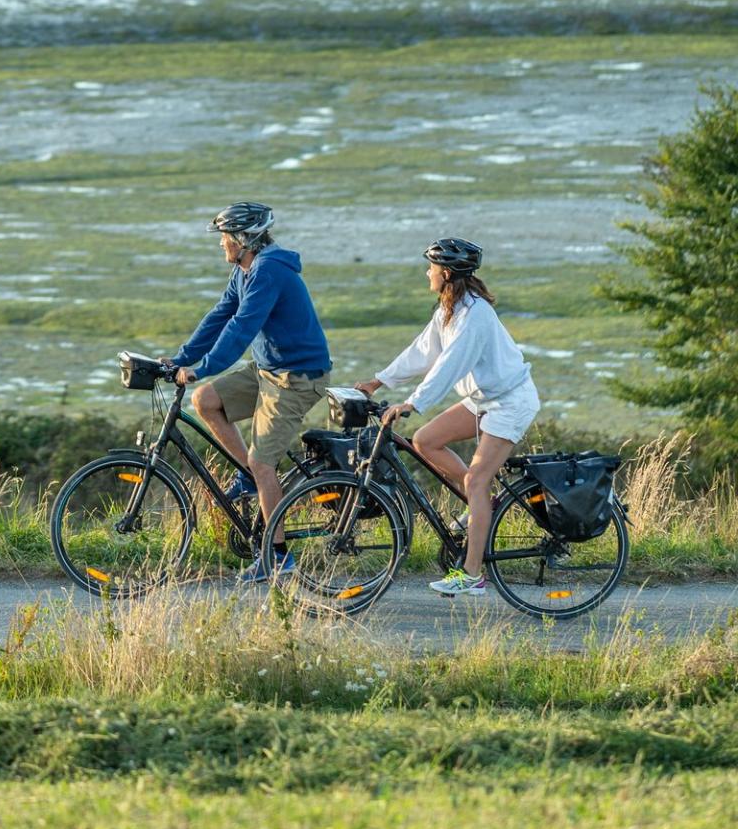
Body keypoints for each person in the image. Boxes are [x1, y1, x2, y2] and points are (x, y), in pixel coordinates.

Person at [355, 236, 540, 599]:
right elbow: (423, 351)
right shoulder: (449, 309)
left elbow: (449, 365)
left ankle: (472, 575)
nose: (427, 272)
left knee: (476, 482)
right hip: (483, 399)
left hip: (510, 402)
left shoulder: (475, 316)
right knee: (425, 441)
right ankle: (481, 505)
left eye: (431, 268)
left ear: (446, 273)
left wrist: (412, 403)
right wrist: (378, 381)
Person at [165, 202, 332, 581]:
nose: (221, 244)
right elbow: (220, 315)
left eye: (225, 238)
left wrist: (202, 368)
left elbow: (242, 328)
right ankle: (249, 475)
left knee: (263, 464)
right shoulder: (246, 271)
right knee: (205, 400)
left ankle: (277, 557)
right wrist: (181, 359)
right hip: (268, 369)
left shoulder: (268, 271)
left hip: (297, 376)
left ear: (244, 240)